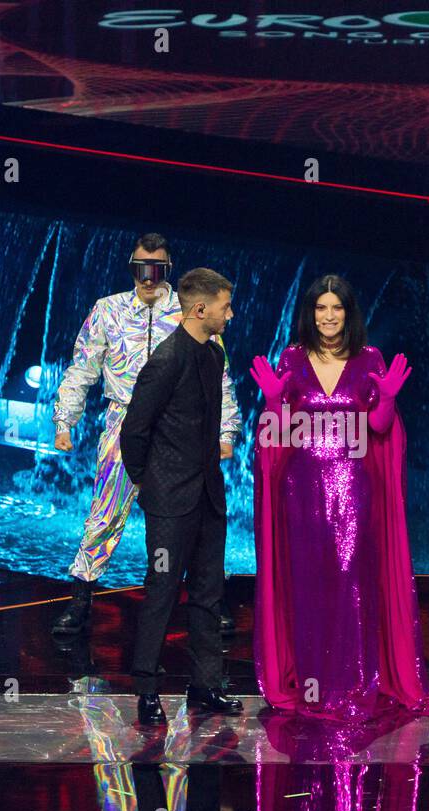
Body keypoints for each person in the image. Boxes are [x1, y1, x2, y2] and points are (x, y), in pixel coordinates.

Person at [250, 274, 429, 720]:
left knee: (350, 582)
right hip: (300, 489)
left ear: (348, 312)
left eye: (336, 307)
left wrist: (389, 400)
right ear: (310, 313)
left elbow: (378, 427)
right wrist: (277, 401)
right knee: (308, 583)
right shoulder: (292, 357)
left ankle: (354, 680)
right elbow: (278, 430)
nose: (328, 316)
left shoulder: (368, 357)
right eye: (320, 308)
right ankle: (313, 681)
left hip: (353, 488)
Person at [51, 234, 239, 638]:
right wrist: (65, 421)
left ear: (168, 270)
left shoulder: (190, 311)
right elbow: (83, 367)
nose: (149, 278)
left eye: (157, 270)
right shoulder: (108, 310)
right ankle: (81, 599)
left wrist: (226, 430)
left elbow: (218, 374)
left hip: (181, 429)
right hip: (124, 423)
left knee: (195, 517)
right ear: (132, 268)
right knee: (105, 513)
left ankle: (211, 602)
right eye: (141, 269)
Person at [120, 268, 242, 725]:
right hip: (171, 501)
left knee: (210, 593)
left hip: (209, 497)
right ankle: (147, 691)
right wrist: (150, 483)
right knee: (162, 591)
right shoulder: (166, 360)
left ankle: (205, 686)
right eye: (225, 306)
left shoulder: (213, 357)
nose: (229, 314)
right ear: (199, 308)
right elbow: (135, 431)